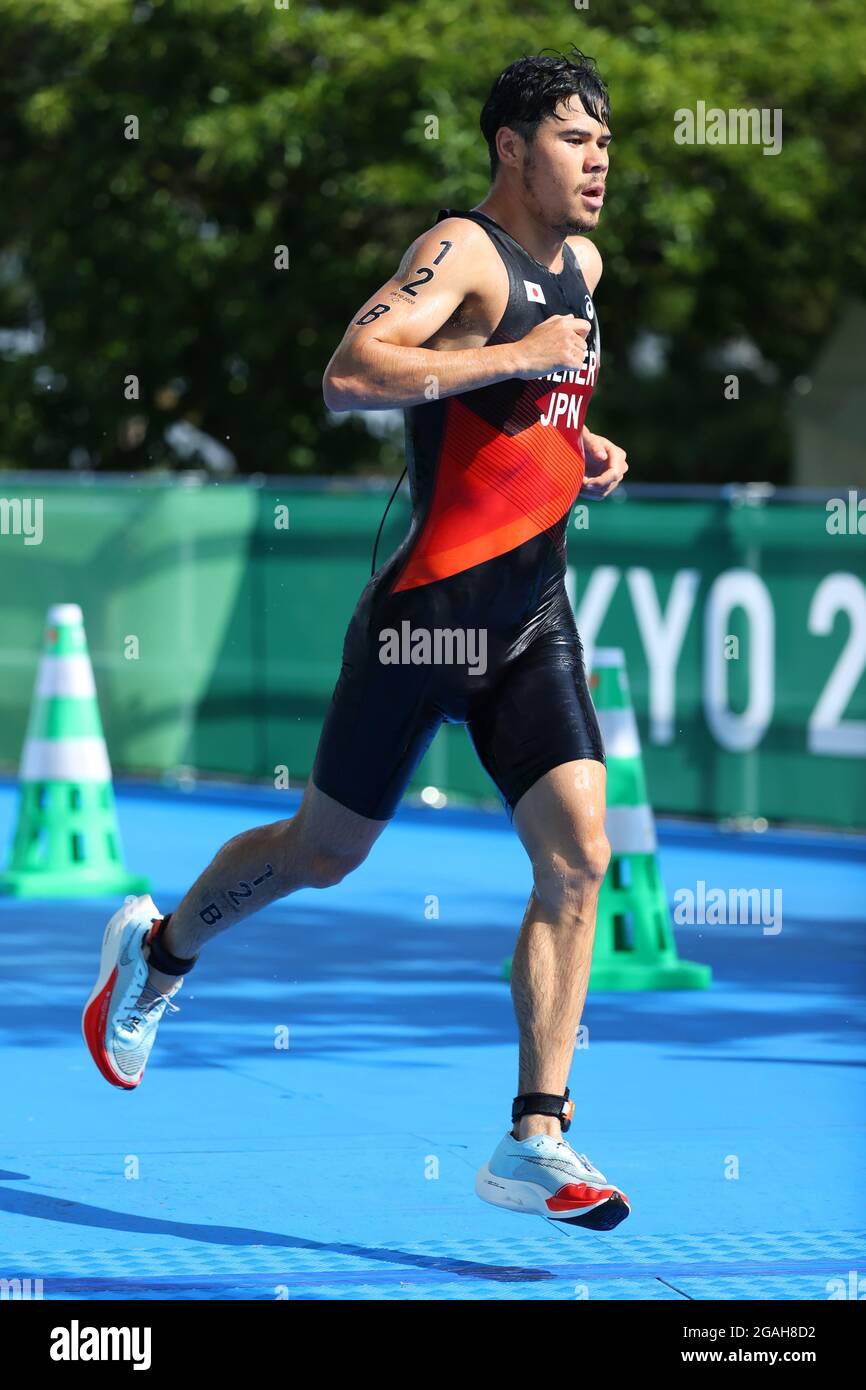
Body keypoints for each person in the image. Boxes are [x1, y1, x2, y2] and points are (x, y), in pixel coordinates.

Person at [83, 47, 631, 1231]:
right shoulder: (460, 250)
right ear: (509, 146)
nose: (598, 161)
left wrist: (579, 445)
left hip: (531, 616)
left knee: (579, 854)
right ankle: (160, 951)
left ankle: (533, 1133)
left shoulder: (579, 266)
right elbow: (349, 374)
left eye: (605, 142)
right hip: (424, 620)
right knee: (325, 852)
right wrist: (515, 359)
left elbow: (528, 415)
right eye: (576, 139)